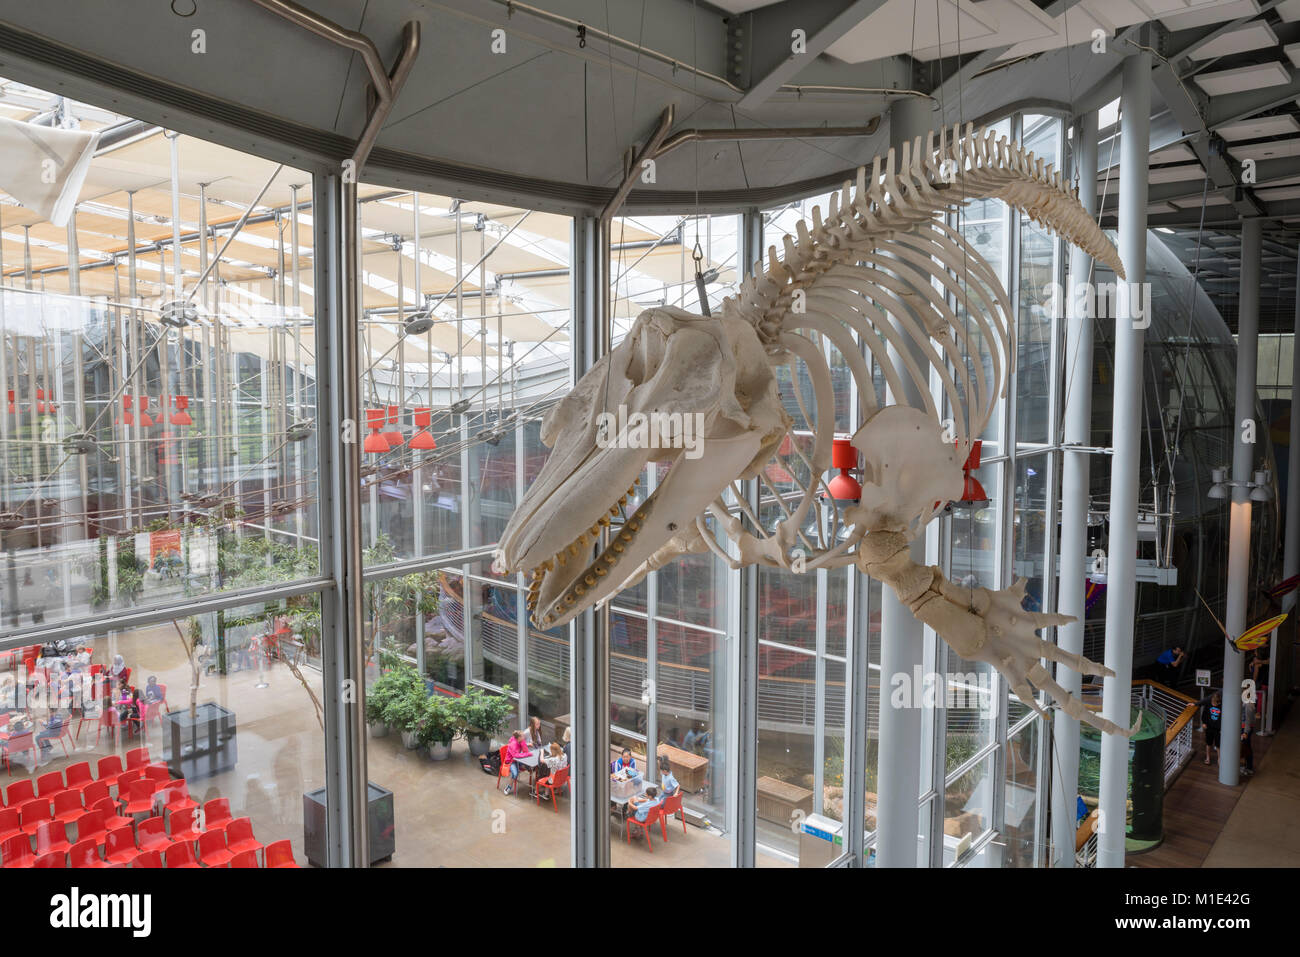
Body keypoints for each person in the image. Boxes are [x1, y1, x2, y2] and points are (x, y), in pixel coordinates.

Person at [502, 730, 533, 796]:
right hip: (510, 762)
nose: (524, 737)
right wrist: (527, 754)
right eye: (523, 736)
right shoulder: (512, 745)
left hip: (517, 760)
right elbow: (516, 755)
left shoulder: (520, 741)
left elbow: (525, 751)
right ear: (519, 738)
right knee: (515, 774)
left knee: (530, 765)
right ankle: (508, 787)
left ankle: (533, 785)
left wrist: (524, 744)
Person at [1200, 691, 1222, 765]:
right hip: (1209, 727)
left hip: (1218, 729)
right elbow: (1204, 714)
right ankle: (1208, 757)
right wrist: (1204, 723)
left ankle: (1219, 759)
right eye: (1212, 702)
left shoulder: (1222, 706)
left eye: (1215, 703)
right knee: (1208, 743)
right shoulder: (1208, 705)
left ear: (1218, 702)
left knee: (1218, 744)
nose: (1213, 704)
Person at [1241, 699, 1256, 776]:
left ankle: (1246, 767)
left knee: (1245, 748)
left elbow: (1248, 720)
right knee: (1247, 747)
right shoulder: (1247, 702)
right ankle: (1248, 767)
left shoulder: (1248, 704)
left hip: (1245, 729)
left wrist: (1245, 732)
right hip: (1244, 728)